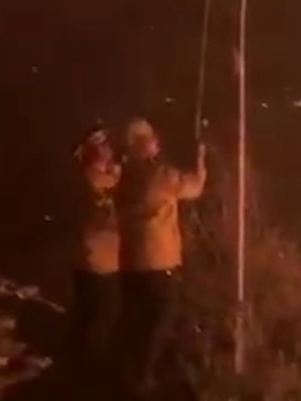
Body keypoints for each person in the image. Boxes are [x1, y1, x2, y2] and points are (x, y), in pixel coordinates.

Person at [114, 117, 207, 396]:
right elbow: (194, 187)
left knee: (135, 319)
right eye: (152, 138)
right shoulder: (160, 175)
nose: (157, 142)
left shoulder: (123, 177)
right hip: (157, 262)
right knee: (159, 319)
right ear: (144, 145)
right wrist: (200, 160)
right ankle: (142, 379)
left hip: (129, 261)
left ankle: (129, 374)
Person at [65, 124, 122, 385]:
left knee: (91, 318)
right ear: (91, 152)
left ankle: (80, 372)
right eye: (101, 146)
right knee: (97, 321)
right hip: (98, 262)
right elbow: (112, 209)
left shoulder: (106, 176)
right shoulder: (93, 179)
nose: (108, 149)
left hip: (101, 260)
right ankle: (87, 377)